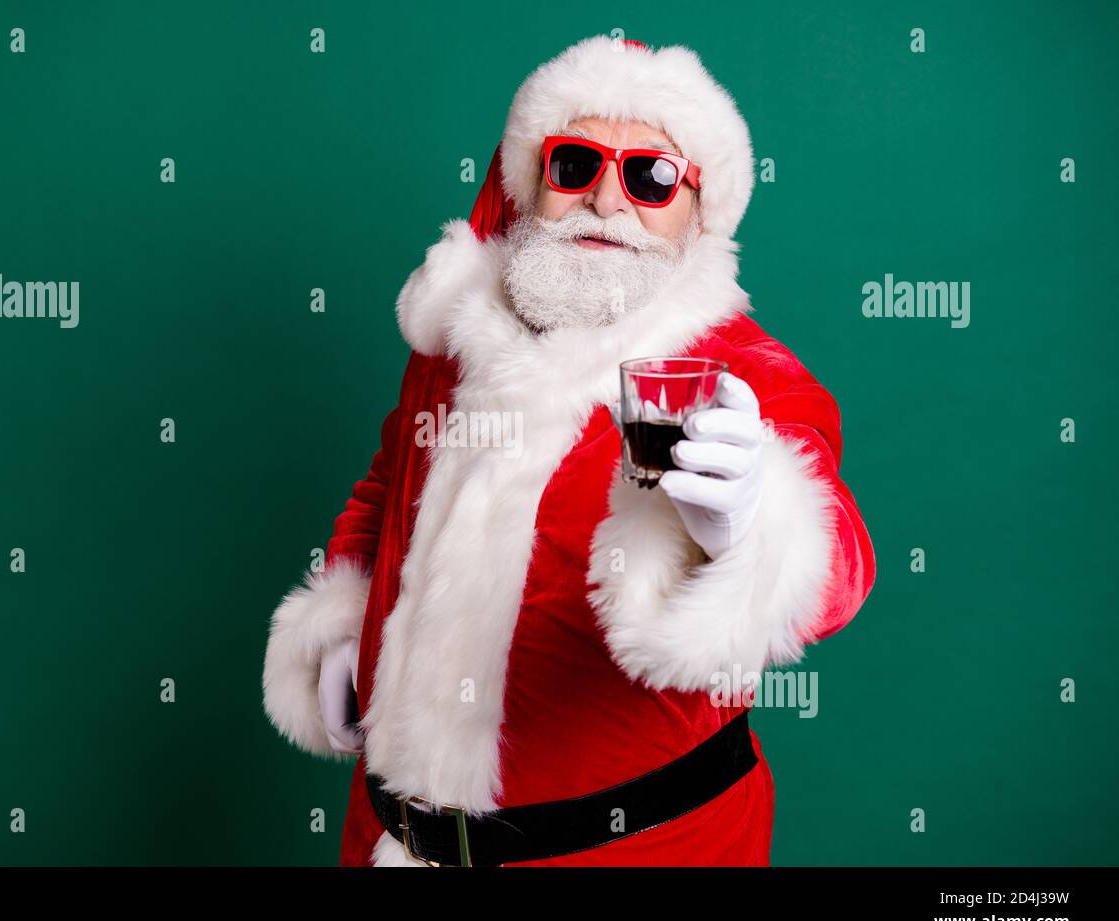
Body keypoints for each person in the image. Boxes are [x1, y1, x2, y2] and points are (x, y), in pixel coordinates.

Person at [262, 35, 875, 867]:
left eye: (652, 177)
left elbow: (838, 565)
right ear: (533, 185)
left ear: (698, 211)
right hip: (390, 840)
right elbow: (386, 487)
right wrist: (344, 626)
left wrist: (755, 523)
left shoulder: (736, 372)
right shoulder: (457, 343)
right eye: (577, 164)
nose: (608, 202)